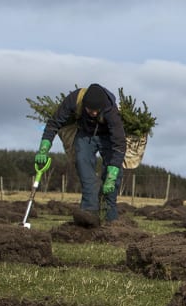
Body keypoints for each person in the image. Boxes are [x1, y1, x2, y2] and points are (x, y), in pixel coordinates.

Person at [34, 84, 127, 222]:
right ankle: (89, 214)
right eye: (90, 110)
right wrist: (43, 149)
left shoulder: (110, 110)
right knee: (83, 165)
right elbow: (54, 124)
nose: (94, 113)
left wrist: (111, 177)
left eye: (97, 111)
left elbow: (119, 145)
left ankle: (110, 217)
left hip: (108, 137)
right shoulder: (74, 99)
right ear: (84, 105)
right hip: (85, 134)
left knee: (113, 176)